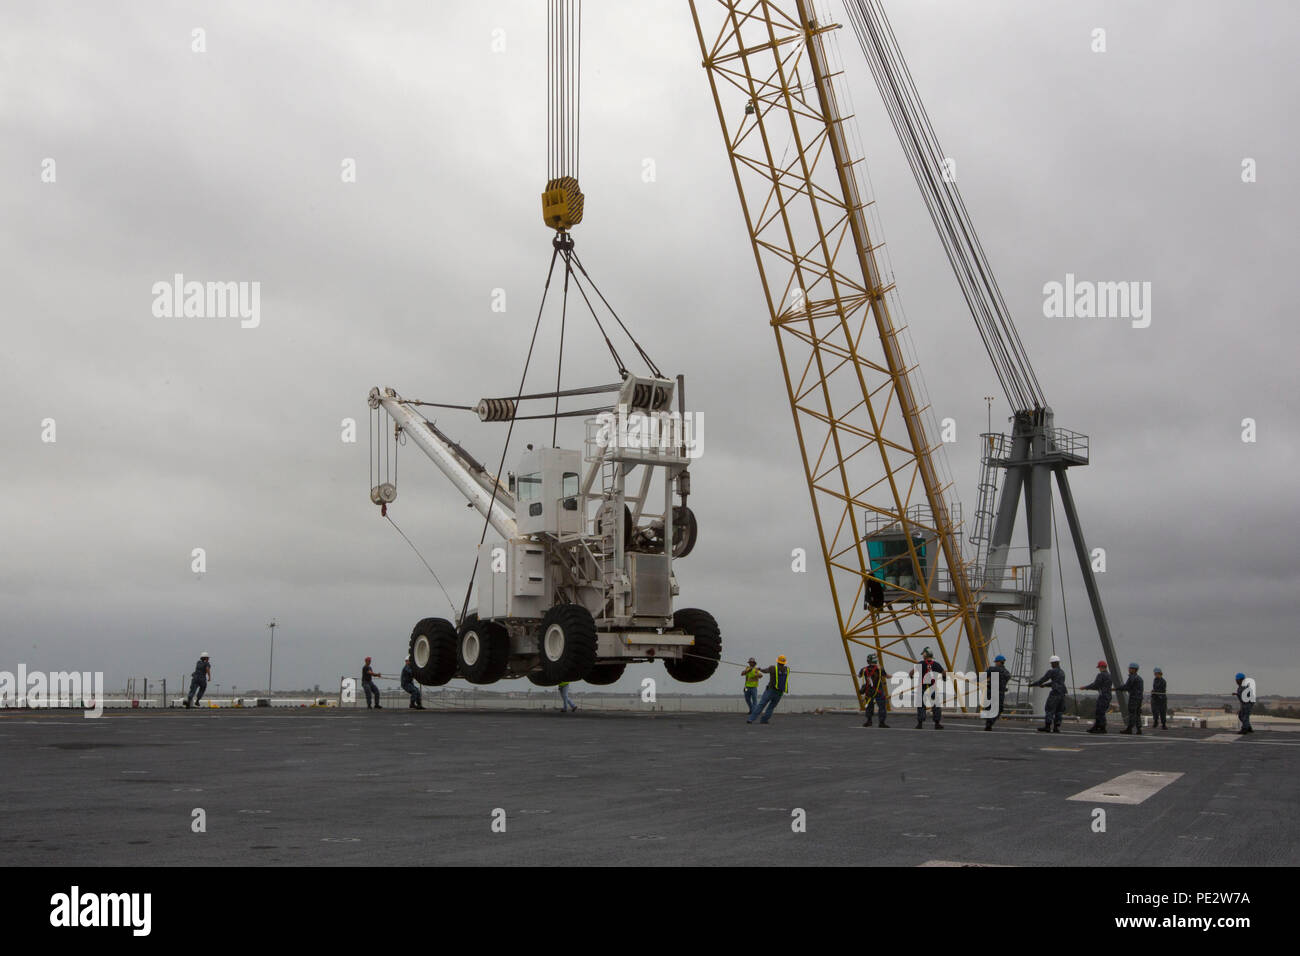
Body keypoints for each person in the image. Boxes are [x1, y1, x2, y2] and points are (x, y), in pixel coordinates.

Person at [747, 655, 790, 724]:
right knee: (771, 707)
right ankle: (764, 720)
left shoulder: (773, 668)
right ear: (784, 663)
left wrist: (759, 669)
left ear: (777, 661)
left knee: (761, 705)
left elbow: (765, 671)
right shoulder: (787, 669)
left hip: (770, 690)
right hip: (780, 692)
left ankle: (751, 719)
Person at [909, 647, 945, 729]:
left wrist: (911, 676)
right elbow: (944, 672)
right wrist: (944, 678)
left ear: (925, 654)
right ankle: (937, 723)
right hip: (933, 687)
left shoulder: (921, 664)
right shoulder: (936, 664)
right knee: (936, 705)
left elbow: (911, 672)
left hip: (922, 687)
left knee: (921, 705)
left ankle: (920, 724)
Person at [1030, 654, 1067, 733]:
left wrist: (1033, 684)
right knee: (1059, 711)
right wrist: (1045, 685)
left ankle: (1047, 727)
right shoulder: (1062, 672)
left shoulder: (1052, 671)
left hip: (1055, 693)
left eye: (1051, 663)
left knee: (1049, 709)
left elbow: (1043, 679)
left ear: (1053, 663)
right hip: (1062, 694)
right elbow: (1056, 682)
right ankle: (1056, 728)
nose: (1051, 665)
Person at [1079, 660, 1112, 733]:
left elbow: (1095, 685)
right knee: (1100, 712)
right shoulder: (1109, 675)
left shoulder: (1101, 675)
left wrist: (1085, 687)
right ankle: (1096, 727)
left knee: (1100, 712)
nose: (1099, 669)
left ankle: (1102, 728)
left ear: (1101, 667)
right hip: (1108, 696)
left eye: (1099, 667)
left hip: (1103, 696)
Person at [859, 654, 889, 728]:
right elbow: (886, 676)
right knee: (882, 706)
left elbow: (859, 676)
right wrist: (892, 676)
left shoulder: (864, 669)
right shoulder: (880, 668)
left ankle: (869, 721)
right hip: (878, 690)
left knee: (869, 706)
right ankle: (881, 722)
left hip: (869, 691)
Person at [985, 654, 1010, 730]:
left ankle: (988, 723)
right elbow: (1003, 683)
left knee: (990, 708)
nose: (995, 663)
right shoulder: (1007, 673)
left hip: (991, 692)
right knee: (998, 709)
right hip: (1000, 693)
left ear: (999, 662)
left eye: (996, 662)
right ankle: (990, 723)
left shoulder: (992, 669)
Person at [1119, 663, 1144, 734]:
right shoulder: (1139, 678)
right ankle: (1139, 729)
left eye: (1130, 668)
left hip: (1133, 698)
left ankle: (1129, 729)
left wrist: (1118, 688)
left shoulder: (1132, 677)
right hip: (1139, 698)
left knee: (1132, 713)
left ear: (1133, 669)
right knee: (1137, 713)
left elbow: (1126, 687)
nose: (1129, 669)